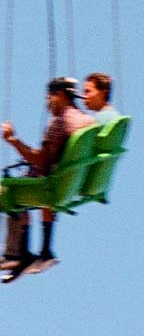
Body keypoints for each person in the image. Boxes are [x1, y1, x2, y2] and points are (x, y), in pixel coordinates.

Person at [0, 78, 89, 280]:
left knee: (5, 194)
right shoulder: (85, 120)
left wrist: (12, 140)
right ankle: (39, 252)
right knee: (25, 185)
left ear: (60, 95)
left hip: (48, 186)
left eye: (49, 97)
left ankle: (15, 254)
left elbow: (39, 159)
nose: (48, 103)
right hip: (69, 182)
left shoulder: (59, 123)